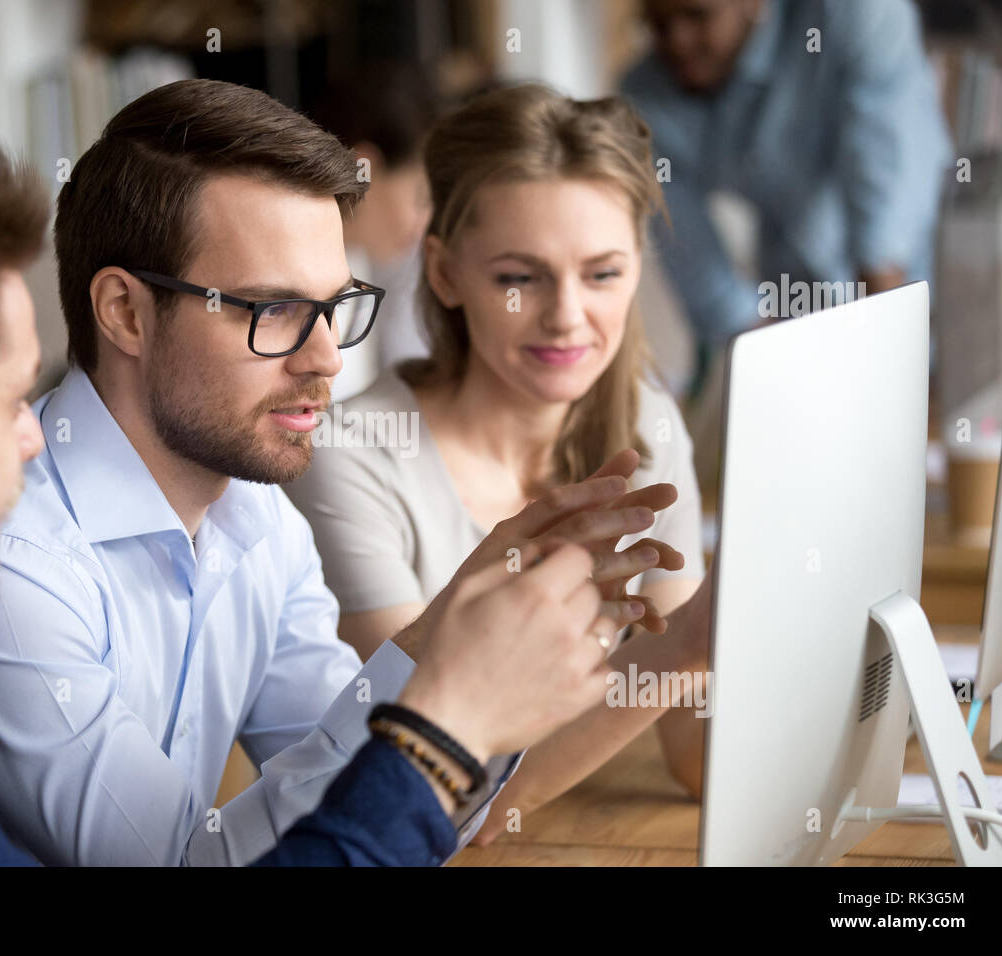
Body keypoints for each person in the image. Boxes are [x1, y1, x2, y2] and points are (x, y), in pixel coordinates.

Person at [0, 112, 675, 867]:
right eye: (274, 311)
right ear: (125, 311)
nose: (331, 358)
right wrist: (445, 718)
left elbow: (365, 815)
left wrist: (443, 646)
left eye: (334, 308)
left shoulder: (257, 511)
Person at [283, 85, 710, 842]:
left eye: (603, 273)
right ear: (445, 274)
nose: (567, 316)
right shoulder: (353, 462)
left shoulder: (647, 421)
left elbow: (696, 760)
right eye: (520, 277)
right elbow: (446, 789)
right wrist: (683, 647)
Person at [622, 0, 952, 391]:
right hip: (798, 287)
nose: (676, 41)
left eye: (697, 16)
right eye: (658, 24)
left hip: (929, 269)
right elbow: (699, 263)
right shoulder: (645, 98)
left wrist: (889, 343)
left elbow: (880, 164)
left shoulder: (857, 13)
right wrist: (776, 364)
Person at [307, 64, 438, 395]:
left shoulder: (361, 271)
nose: (424, 222)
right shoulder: (291, 281)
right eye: (420, 197)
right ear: (364, 167)